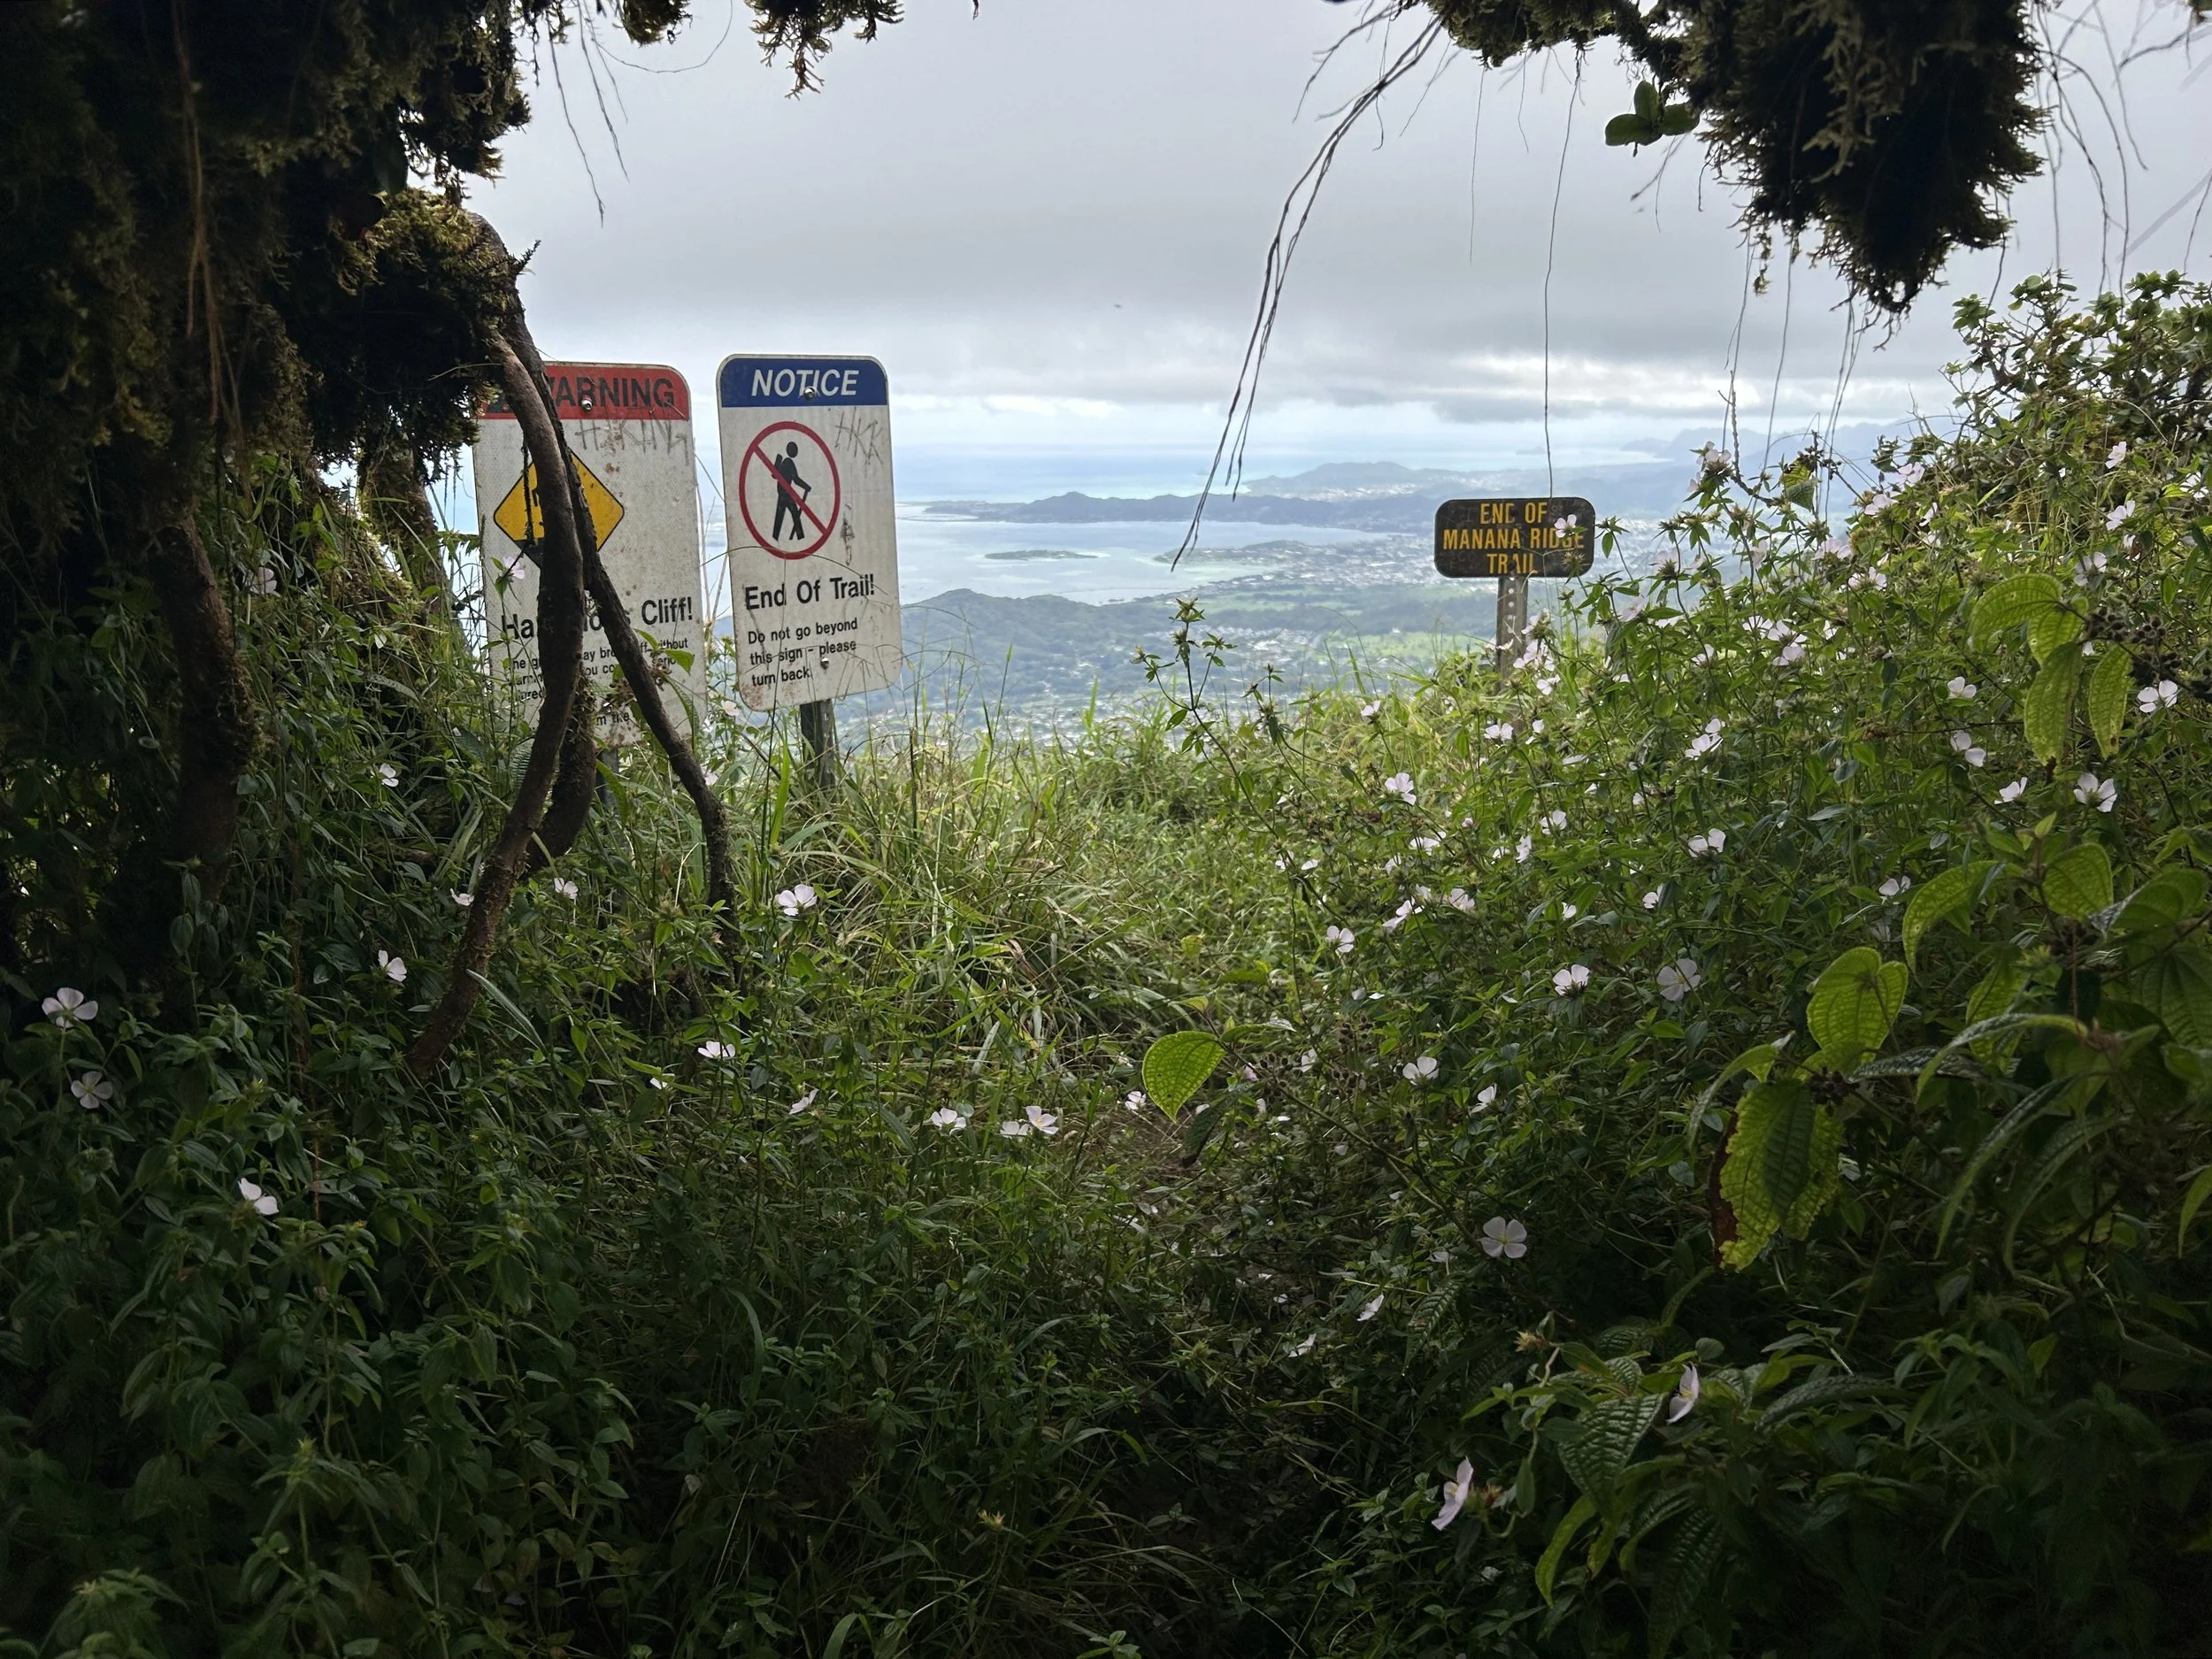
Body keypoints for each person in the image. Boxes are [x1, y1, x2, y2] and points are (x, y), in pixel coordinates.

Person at [771, 441, 812, 541]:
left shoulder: (785, 461)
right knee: (793, 514)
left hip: (783, 492)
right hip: (785, 492)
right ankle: (800, 536)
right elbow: (796, 479)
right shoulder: (788, 462)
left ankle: (776, 538)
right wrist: (807, 487)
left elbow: (775, 476)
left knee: (781, 516)